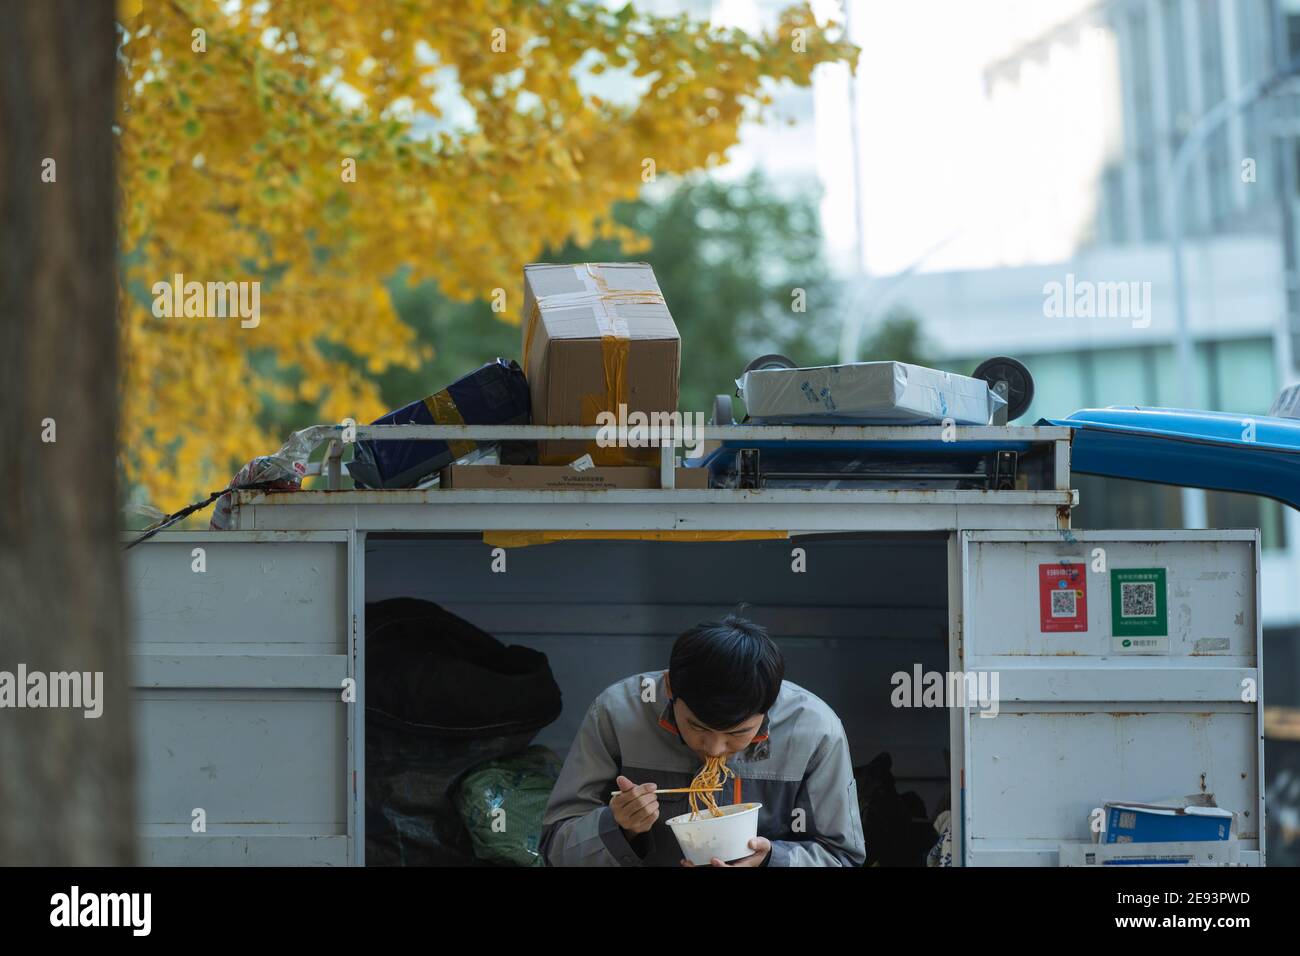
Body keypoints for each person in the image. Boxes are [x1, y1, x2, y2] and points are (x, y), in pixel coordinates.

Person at [540, 614, 866, 866]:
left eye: (738, 734)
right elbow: (555, 847)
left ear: (770, 706)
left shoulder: (814, 730)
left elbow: (843, 856)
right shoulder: (617, 713)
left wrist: (771, 860)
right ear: (669, 688)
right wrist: (618, 826)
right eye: (697, 727)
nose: (713, 749)